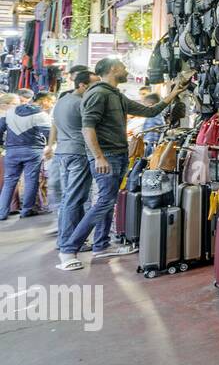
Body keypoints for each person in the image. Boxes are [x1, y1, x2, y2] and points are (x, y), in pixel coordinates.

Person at [57, 58, 188, 270]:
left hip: (116, 155)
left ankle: (101, 245)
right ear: (113, 69)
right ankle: (68, 250)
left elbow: (151, 111)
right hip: (106, 156)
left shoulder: (115, 94)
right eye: (124, 67)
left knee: (107, 201)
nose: (126, 70)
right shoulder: (98, 94)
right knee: (104, 202)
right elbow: (87, 128)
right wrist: (98, 156)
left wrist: (174, 93)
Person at [47, 69, 95, 254]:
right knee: (75, 199)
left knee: (69, 198)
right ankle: (71, 241)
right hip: (78, 153)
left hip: (63, 153)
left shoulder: (62, 101)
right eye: (93, 85)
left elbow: (55, 126)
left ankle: (65, 239)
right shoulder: (81, 103)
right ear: (82, 85)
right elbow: (89, 130)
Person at [0, 91, 54, 220]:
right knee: (31, 180)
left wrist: (3, 144)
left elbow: (0, 129)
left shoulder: (10, 113)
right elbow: (48, 132)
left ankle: (2, 213)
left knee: (9, 181)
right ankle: (26, 210)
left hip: (12, 151)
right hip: (33, 150)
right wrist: (49, 145)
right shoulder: (40, 114)